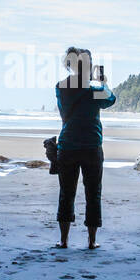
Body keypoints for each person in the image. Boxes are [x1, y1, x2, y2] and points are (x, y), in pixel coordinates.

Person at [55, 46, 116, 249]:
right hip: (91, 145)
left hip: (67, 145)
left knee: (66, 193)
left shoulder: (61, 87)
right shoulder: (94, 91)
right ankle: (91, 241)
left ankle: (64, 240)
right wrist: (102, 82)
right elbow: (110, 99)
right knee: (93, 193)